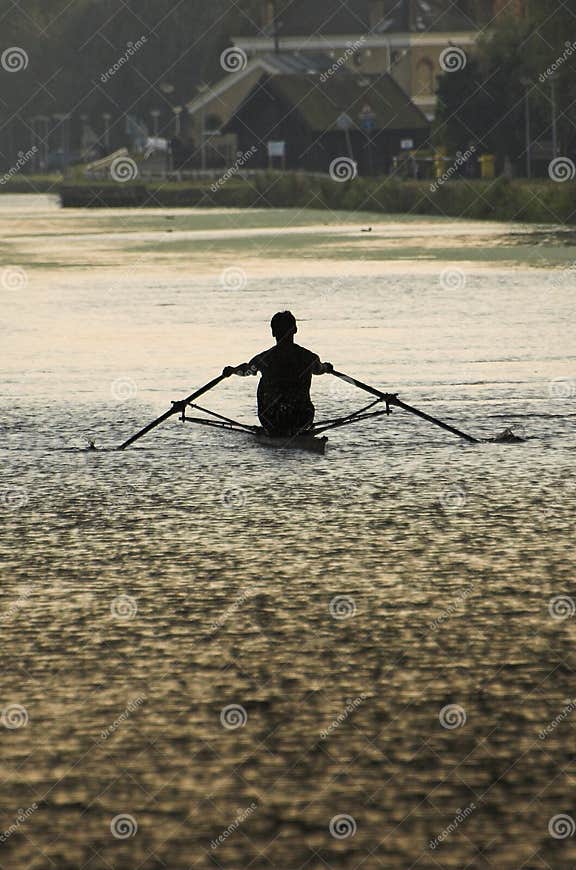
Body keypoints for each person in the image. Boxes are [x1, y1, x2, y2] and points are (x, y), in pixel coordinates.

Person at [223, 311, 332, 436]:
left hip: (272, 420)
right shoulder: (309, 358)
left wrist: (232, 371)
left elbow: (246, 370)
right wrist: (327, 367)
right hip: (302, 419)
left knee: (264, 384)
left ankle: (278, 430)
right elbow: (320, 369)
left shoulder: (264, 359)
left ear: (273, 332)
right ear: (295, 330)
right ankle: (295, 430)